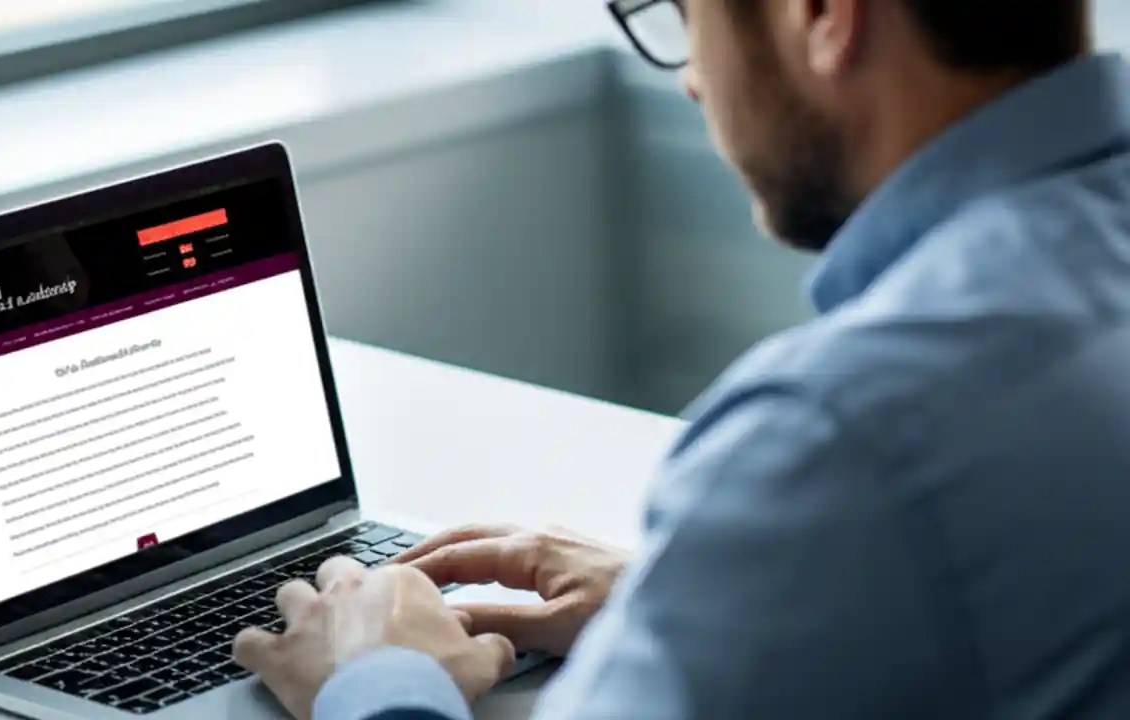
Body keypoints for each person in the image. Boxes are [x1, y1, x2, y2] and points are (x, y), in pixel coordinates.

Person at [234, 0, 1130, 717]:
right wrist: (739, 605)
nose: (695, 79)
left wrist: (382, 683)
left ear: (824, 15)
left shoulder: (840, 434)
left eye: (688, 16)